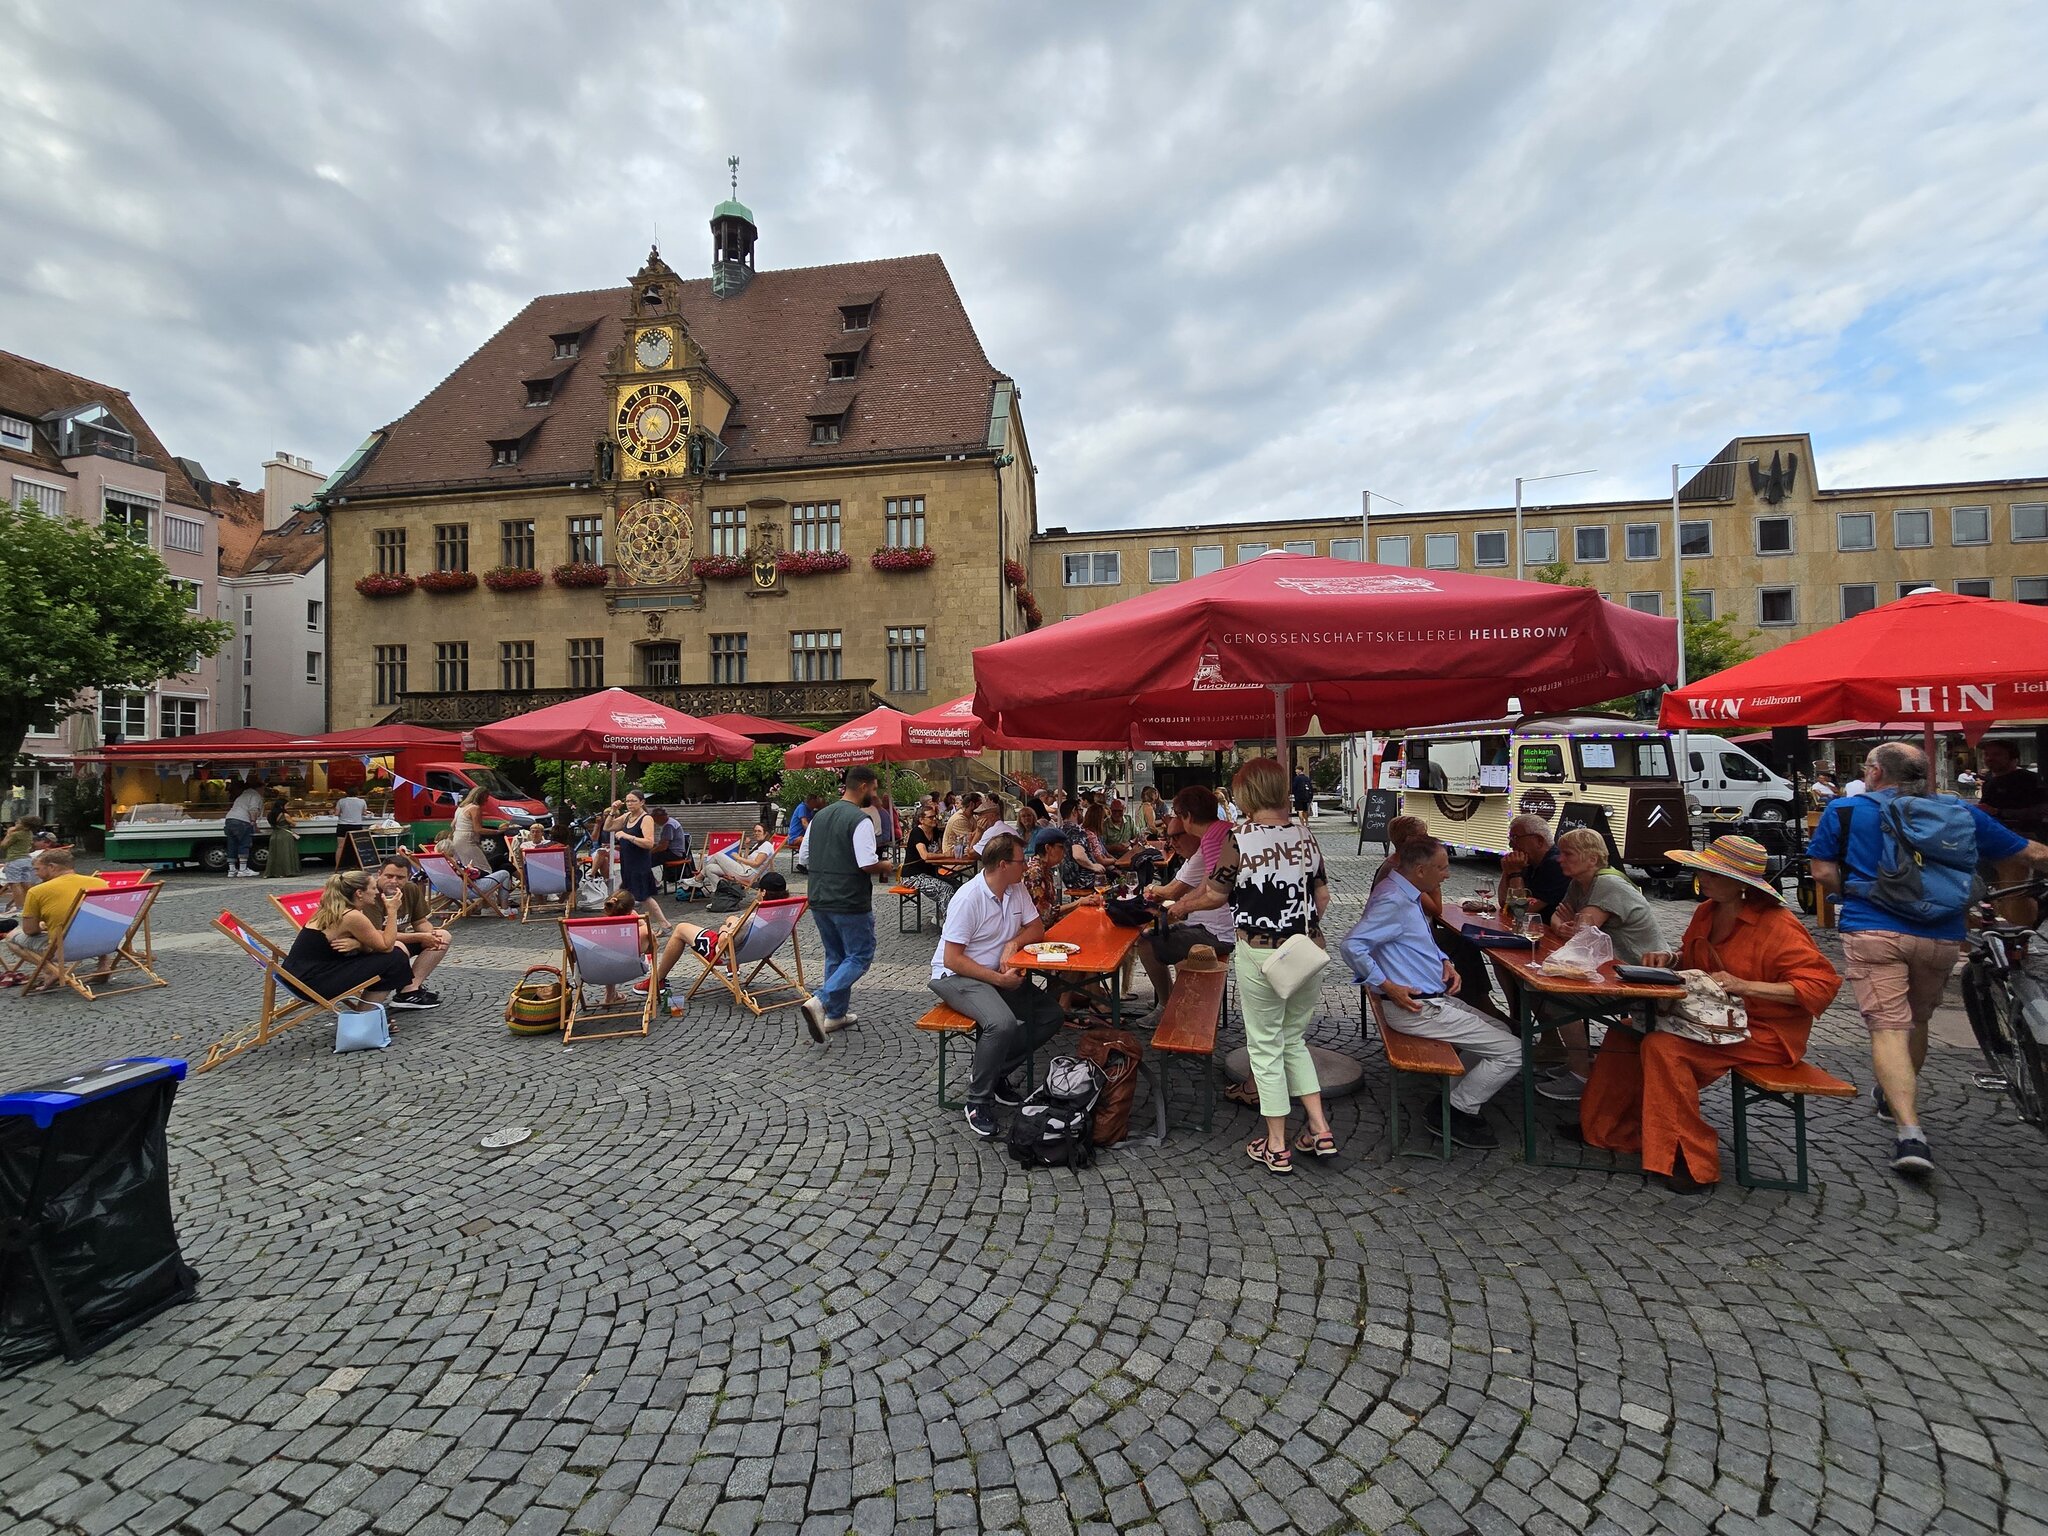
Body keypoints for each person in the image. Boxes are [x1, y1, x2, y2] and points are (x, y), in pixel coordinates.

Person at [1808, 742, 2048, 1175]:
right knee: (1917, 1020)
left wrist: (1861, 894)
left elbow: (1823, 872)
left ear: (1876, 772)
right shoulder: (1960, 812)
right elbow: (2027, 853)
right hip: (1941, 933)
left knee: (1888, 1027)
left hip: (1874, 929)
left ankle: (1910, 1132)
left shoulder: (1845, 811)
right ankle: (1893, 1099)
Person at [1578, 835, 1842, 1191]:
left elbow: (1821, 986)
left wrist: (1746, 986)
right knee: (1625, 1032)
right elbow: (1693, 960)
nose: (1701, 877)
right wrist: (1670, 959)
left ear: (1741, 884)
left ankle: (1692, 1160)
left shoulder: (1778, 925)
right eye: (1702, 870)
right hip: (1710, 1020)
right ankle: (1608, 1129)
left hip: (1764, 1031)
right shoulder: (1707, 911)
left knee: (1663, 1047)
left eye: (1712, 873)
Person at [1184, 759, 1336, 1173]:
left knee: (1265, 1046)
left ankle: (1276, 1144)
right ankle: (1320, 1128)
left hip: (1259, 951)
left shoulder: (1240, 838)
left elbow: (1216, 894)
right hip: (1306, 950)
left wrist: (1181, 907)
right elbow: (1322, 897)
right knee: (1294, 1040)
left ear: (1247, 794)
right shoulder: (1305, 836)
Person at [1342, 836, 1522, 1150]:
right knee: (1514, 1051)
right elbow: (1352, 946)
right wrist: (1388, 986)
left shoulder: (1403, 891)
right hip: (1416, 1007)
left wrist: (1444, 961)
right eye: (1442, 868)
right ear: (1421, 870)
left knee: (1501, 1030)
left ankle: (1451, 1097)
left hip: (1429, 1000)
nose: (1447, 874)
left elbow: (1417, 939)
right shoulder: (1393, 899)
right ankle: (1457, 1109)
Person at [928, 834, 1065, 1138]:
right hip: (956, 976)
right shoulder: (968, 898)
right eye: (1020, 860)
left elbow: (1037, 929)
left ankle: (996, 1072)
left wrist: (1012, 943)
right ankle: (977, 1101)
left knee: (1051, 1015)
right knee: (1001, 1023)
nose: (1026, 865)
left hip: (993, 972)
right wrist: (1000, 980)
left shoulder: (1015, 888)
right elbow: (952, 959)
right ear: (1003, 865)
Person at [799, 765, 887, 1036]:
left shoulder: (819, 817)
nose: (875, 794)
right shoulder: (860, 819)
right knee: (860, 955)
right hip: (849, 899)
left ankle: (835, 1015)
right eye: (874, 788)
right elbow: (867, 863)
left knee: (835, 955)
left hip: (819, 896)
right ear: (863, 786)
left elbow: (804, 857)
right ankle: (821, 1000)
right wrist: (887, 866)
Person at [1134, 809, 1236, 1021]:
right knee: (1152, 935)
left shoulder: (1201, 856)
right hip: (1204, 927)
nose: (1172, 843)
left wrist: (1151, 889)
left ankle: (1166, 1005)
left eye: (1177, 836)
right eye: (1169, 837)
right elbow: (1171, 892)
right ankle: (1170, 999)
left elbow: (1172, 891)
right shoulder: (1194, 856)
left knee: (1146, 943)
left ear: (1192, 831)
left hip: (1214, 934)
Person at [637, 875, 783, 1010]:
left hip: (725, 952)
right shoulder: (784, 914)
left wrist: (725, 928)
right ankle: (733, 961)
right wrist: (733, 921)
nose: (757, 893)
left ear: (764, 892)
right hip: (760, 950)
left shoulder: (753, 918)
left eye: (759, 890)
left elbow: (723, 942)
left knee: (681, 929)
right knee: (731, 919)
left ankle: (657, 980)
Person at [282, 869, 420, 1007]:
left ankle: (369, 1011)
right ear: (359, 893)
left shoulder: (330, 909)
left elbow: (372, 943)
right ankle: (366, 1013)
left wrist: (359, 944)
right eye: (373, 888)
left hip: (294, 978)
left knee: (389, 956)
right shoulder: (351, 916)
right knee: (395, 958)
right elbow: (386, 946)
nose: (377, 892)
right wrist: (392, 911)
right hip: (312, 985)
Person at [8, 849, 109, 987]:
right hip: (105, 943)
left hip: (66, 949)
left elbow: (30, 930)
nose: (35, 873)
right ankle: (103, 965)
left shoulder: (38, 891)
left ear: (51, 867)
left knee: (11, 937)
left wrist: (41, 927)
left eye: (37, 869)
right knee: (95, 924)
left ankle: (51, 971)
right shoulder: (100, 883)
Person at [373, 856, 450, 1008]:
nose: (394, 881)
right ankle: (371, 1006)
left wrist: (431, 935)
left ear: (408, 877)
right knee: (398, 947)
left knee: (443, 937)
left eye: (400, 877)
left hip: (397, 941)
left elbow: (420, 922)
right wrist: (421, 936)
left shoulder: (410, 889)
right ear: (379, 874)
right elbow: (377, 936)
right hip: (376, 945)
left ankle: (409, 990)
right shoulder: (370, 894)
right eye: (389, 876)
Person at [603, 788, 670, 934]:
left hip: (639, 863)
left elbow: (649, 843)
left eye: (633, 801)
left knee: (642, 896)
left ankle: (662, 924)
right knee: (627, 896)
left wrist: (628, 836)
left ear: (642, 802)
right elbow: (607, 827)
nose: (629, 804)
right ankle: (636, 924)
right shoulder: (627, 816)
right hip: (627, 862)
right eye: (627, 801)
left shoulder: (646, 819)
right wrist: (613, 811)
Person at [449, 786, 519, 919]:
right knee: (484, 871)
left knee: (471, 870)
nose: (486, 802)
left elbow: (452, 825)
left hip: (458, 839)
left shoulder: (461, 808)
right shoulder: (475, 808)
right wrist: (497, 832)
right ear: (480, 797)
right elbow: (478, 829)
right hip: (468, 840)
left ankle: (483, 904)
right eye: (486, 799)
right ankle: (489, 904)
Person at [1500, 813, 1570, 920]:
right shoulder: (1528, 861)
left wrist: (1515, 873)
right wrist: (1507, 870)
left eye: (1515, 838)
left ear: (1539, 841)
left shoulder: (1556, 865)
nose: (1510, 844)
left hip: (1546, 928)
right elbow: (1504, 904)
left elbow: (1520, 911)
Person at [1978, 740, 2048, 843]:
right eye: (1986, 754)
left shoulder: (2030, 779)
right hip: (1995, 838)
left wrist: (1998, 812)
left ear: (2013, 758)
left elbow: (2042, 810)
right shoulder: (1989, 782)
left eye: (1997, 754)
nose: (1989, 758)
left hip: (2028, 840)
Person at [901, 805, 958, 921]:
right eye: (931, 817)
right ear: (921, 820)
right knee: (945, 889)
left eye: (935, 816)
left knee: (958, 886)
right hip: (913, 876)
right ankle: (948, 923)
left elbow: (939, 851)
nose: (934, 819)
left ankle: (952, 918)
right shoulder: (917, 832)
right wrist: (945, 855)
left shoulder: (935, 832)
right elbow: (925, 855)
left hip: (930, 873)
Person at [695, 823, 777, 893]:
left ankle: (698, 879)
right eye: (755, 831)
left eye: (759, 831)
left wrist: (738, 858)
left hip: (748, 874)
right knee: (710, 868)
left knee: (718, 855)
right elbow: (747, 860)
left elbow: (756, 863)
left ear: (765, 833)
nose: (756, 833)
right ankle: (720, 895)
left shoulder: (766, 845)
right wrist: (747, 847)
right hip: (744, 870)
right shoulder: (758, 844)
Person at [1, 815, 44, 913]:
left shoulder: (16, 834)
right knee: (25, 883)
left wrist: (8, 834)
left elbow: (3, 846)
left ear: (24, 825)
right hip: (26, 860)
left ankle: (20, 908)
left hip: (14, 860)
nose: (15, 824)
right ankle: (31, 905)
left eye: (18, 822)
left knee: (14, 884)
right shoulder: (29, 833)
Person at [224, 777, 265, 878]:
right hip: (242, 821)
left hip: (229, 819)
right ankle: (243, 870)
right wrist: (253, 822)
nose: (264, 791)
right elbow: (253, 809)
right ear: (259, 788)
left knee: (232, 845)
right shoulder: (255, 795)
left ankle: (232, 870)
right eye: (263, 789)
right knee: (244, 844)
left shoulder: (243, 795)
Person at [265, 790, 301, 879]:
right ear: (282, 806)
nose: (287, 807)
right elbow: (293, 824)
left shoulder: (270, 815)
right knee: (286, 854)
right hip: (285, 835)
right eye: (286, 805)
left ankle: (274, 872)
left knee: (275, 854)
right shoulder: (285, 815)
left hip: (275, 835)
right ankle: (286, 871)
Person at [787, 793, 824, 873]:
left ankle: (806, 863)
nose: (817, 803)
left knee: (814, 840)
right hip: (795, 837)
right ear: (812, 801)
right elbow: (804, 823)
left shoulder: (810, 810)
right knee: (813, 841)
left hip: (802, 836)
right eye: (816, 801)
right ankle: (803, 864)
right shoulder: (802, 807)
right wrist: (813, 833)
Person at [334, 788, 370, 868]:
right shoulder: (362, 801)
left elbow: (337, 813)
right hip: (356, 825)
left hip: (343, 825)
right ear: (357, 793)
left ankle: (337, 866)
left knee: (340, 846)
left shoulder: (341, 801)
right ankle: (358, 865)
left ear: (346, 793)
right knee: (357, 846)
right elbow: (364, 813)